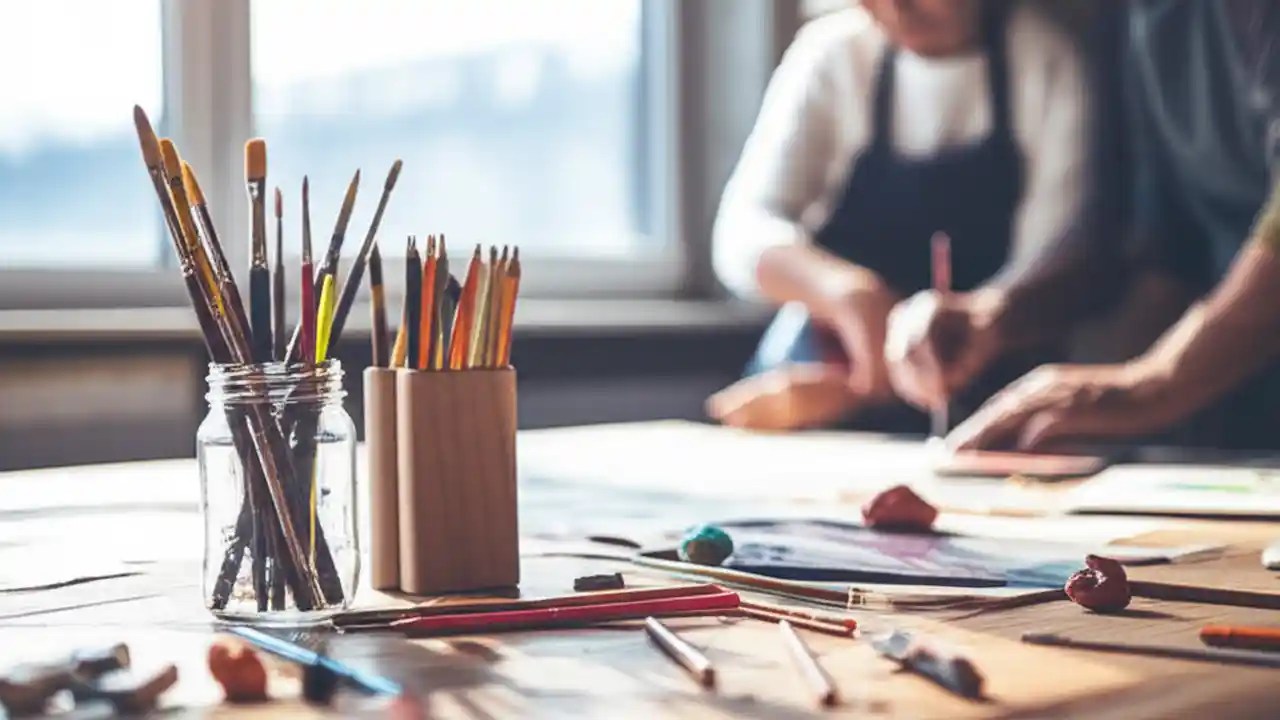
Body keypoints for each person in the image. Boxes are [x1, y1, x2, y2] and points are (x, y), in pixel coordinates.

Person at [886, 1, 1280, 451]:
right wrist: (994, 316)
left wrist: (1154, 382)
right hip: (1239, 412)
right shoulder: (1124, 18)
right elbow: (1134, 238)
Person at [704, 0, 1088, 431]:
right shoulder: (834, 54)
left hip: (994, 405)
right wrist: (847, 292)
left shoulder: (1047, 61)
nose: (894, 8)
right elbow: (742, 232)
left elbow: (1061, 252)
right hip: (826, 383)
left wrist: (981, 322)